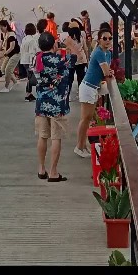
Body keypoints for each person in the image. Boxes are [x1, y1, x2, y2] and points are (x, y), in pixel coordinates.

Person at [33, 31, 73, 183]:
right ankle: (53, 172)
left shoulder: (36, 59)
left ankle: (41, 168)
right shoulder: (60, 60)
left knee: (43, 136)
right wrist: (67, 45)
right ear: (53, 44)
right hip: (57, 104)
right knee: (56, 137)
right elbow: (75, 58)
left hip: (41, 103)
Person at [74, 30, 116, 159]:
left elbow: (108, 71)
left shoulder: (108, 53)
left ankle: (83, 145)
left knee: (88, 118)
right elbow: (106, 71)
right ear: (99, 40)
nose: (108, 40)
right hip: (88, 87)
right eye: (105, 38)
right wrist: (109, 72)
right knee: (85, 118)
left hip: (93, 88)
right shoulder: (99, 52)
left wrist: (109, 72)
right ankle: (79, 147)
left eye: (110, 38)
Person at [19, 23, 40, 102]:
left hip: (24, 60)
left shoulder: (24, 39)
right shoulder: (32, 40)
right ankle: (28, 94)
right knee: (32, 77)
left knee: (29, 77)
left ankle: (29, 93)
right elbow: (33, 52)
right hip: (30, 60)